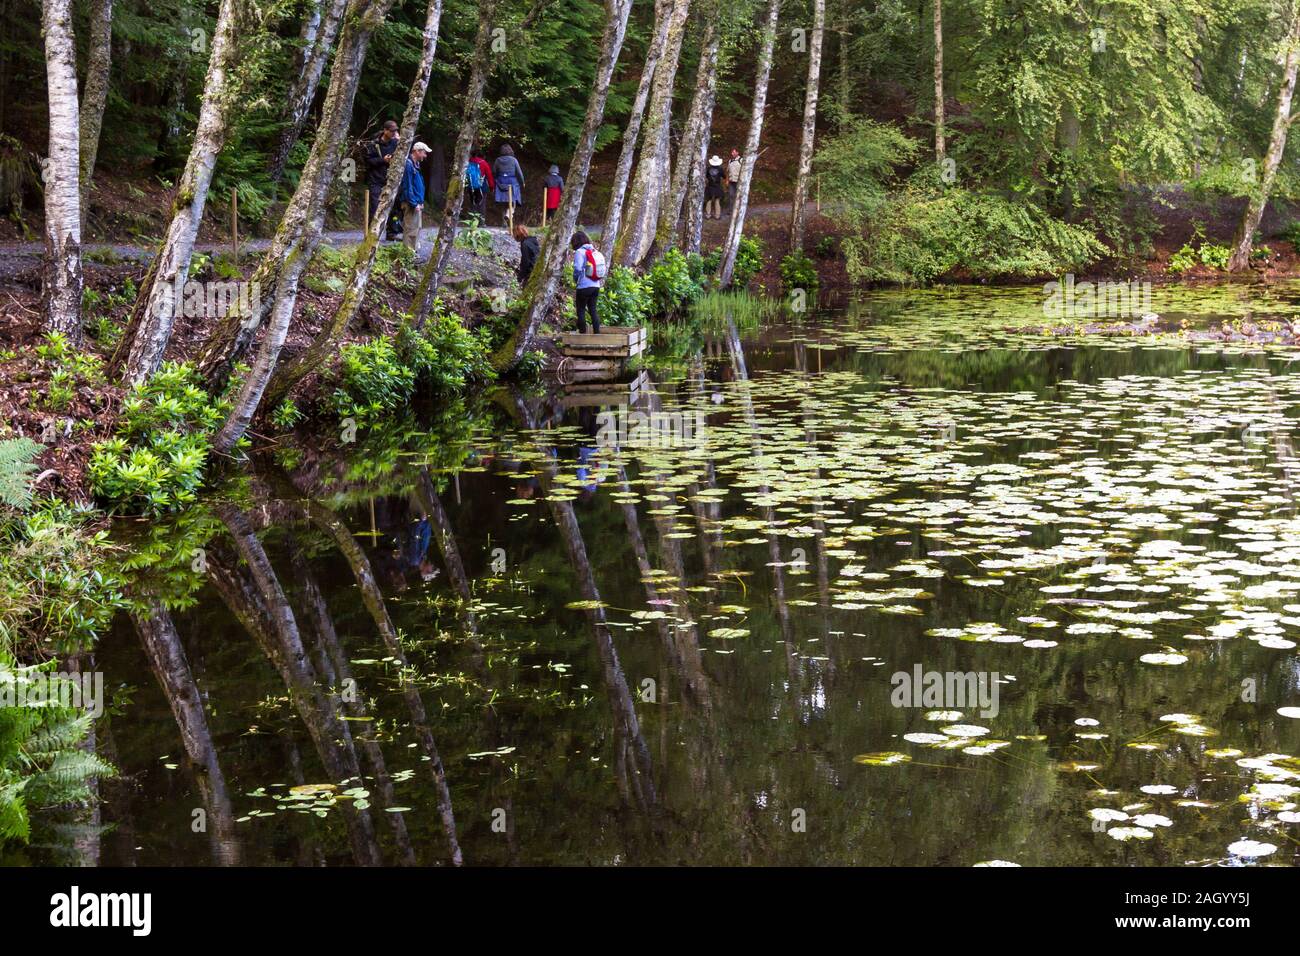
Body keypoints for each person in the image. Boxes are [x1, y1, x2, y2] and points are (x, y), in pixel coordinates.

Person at [364, 120, 402, 241]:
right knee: (375, 207)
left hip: (391, 179)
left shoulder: (396, 143)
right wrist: (383, 160)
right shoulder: (373, 144)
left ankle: (392, 232)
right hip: (375, 179)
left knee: (394, 207)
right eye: (392, 131)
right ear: (385, 130)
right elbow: (368, 161)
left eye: (395, 130)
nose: (394, 133)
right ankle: (373, 233)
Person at [571, 230, 604, 334]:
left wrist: (576, 279)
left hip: (584, 286)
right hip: (596, 285)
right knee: (593, 310)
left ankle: (582, 334)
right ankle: (597, 334)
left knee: (580, 310)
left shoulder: (580, 252)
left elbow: (577, 268)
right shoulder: (595, 251)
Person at [400, 142, 430, 253]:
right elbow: (407, 186)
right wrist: (413, 203)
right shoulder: (408, 165)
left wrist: (420, 201)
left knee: (416, 229)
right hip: (411, 203)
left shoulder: (415, 165)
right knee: (410, 230)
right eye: (424, 153)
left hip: (416, 202)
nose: (425, 155)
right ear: (417, 151)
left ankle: (412, 254)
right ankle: (407, 256)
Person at [493, 144, 525, 223]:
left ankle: (504, 223)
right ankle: (509, 213)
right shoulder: (513, 160)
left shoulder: (497, 160)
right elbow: (519, 173)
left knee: (503, 203)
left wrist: (497, 179)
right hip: (512, 182)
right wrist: (522, 182)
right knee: (513, 201)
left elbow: (494, 171)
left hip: (501, 183)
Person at [466, 147, 494, 220]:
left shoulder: (468, 162)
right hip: (482, 186)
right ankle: (481, 221)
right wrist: (491, 187)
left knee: (472, 203)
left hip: (471, 186)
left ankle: (472, 221)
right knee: (482, 203)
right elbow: (489, 176)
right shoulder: (484, 163)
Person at [704, 155, 726, 220]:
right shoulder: (720, 169)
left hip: (710, 186)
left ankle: (708, 215)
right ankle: (717, 215)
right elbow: (724, 176)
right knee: (717, 200)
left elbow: (706, 176)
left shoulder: (708, 169)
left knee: (709, 200)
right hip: (717, 186)